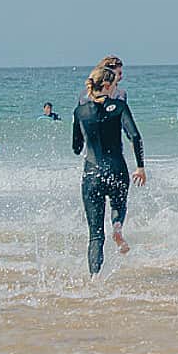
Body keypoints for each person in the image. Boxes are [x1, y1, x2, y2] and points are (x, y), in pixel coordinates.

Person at [72, 65, 146, 276]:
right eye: (114, 84)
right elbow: (135, 136)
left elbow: (76, 148)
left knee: (95, 236)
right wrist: (140, 167)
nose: (116, 88)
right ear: (106, 85)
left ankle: (94, 280)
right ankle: (117, 225)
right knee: (118, 205)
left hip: (92, 173)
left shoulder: (80, 111)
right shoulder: (120, 107)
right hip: (117, 170)